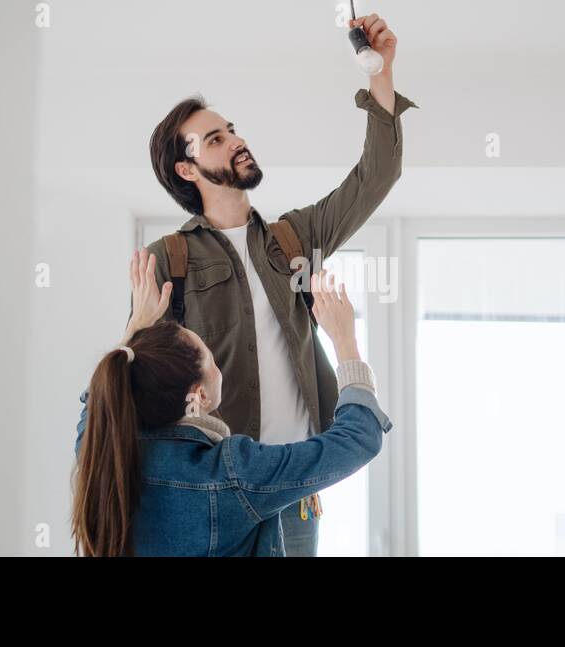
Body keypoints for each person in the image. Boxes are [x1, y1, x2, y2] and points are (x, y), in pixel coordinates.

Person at [78, 12, 415, 555]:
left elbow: (375, 177)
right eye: (215, 138)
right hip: (221, 493)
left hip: (295, 488)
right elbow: (133, 388)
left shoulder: (293, 239)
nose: (236, 139)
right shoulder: (171, 259)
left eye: (232, 129)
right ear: (187, 170)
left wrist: (382, 74)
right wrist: (133, 331)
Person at [72, 251, 391, 556]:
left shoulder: (104, 453)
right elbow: (358, 439)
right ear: (199, 396)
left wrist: (135, 332)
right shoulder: (234, 472)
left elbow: (100, 402)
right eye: (212, 361)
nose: (219, 366)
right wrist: (345, 341)